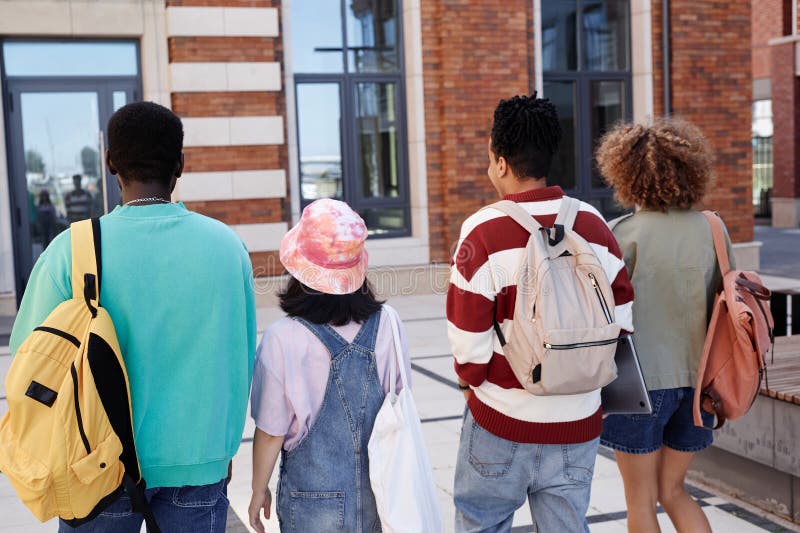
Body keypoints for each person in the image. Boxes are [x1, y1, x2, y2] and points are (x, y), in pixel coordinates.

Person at [10, 101, 256, 531]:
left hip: (95, 465)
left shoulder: (71, 250)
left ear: (110, 163)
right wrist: (221, 448)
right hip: (198, 462)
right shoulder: (226, 247)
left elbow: (29, 357)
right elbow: (239, 355)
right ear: (179, 164)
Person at [446, 93, 634, 533]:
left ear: (500, 160)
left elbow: (468, 343)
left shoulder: (483, 230)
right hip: (578, 422)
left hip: (502, 420)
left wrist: (475, 390)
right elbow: (622, 321)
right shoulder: (594, 225)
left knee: (481, 524)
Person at [596, 118, 729, 533]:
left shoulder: (620, 234)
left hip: (638, 388)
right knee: (674, 491)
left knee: (640, 503)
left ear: (625, 174)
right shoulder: (713, 228)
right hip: (700, 386)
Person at [248, 198, 412, 533]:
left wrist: (258, 488)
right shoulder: (388, 324)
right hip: (380, 496)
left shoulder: (283, 338)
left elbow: (270, 432)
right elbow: (400, 405)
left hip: (309, 504)